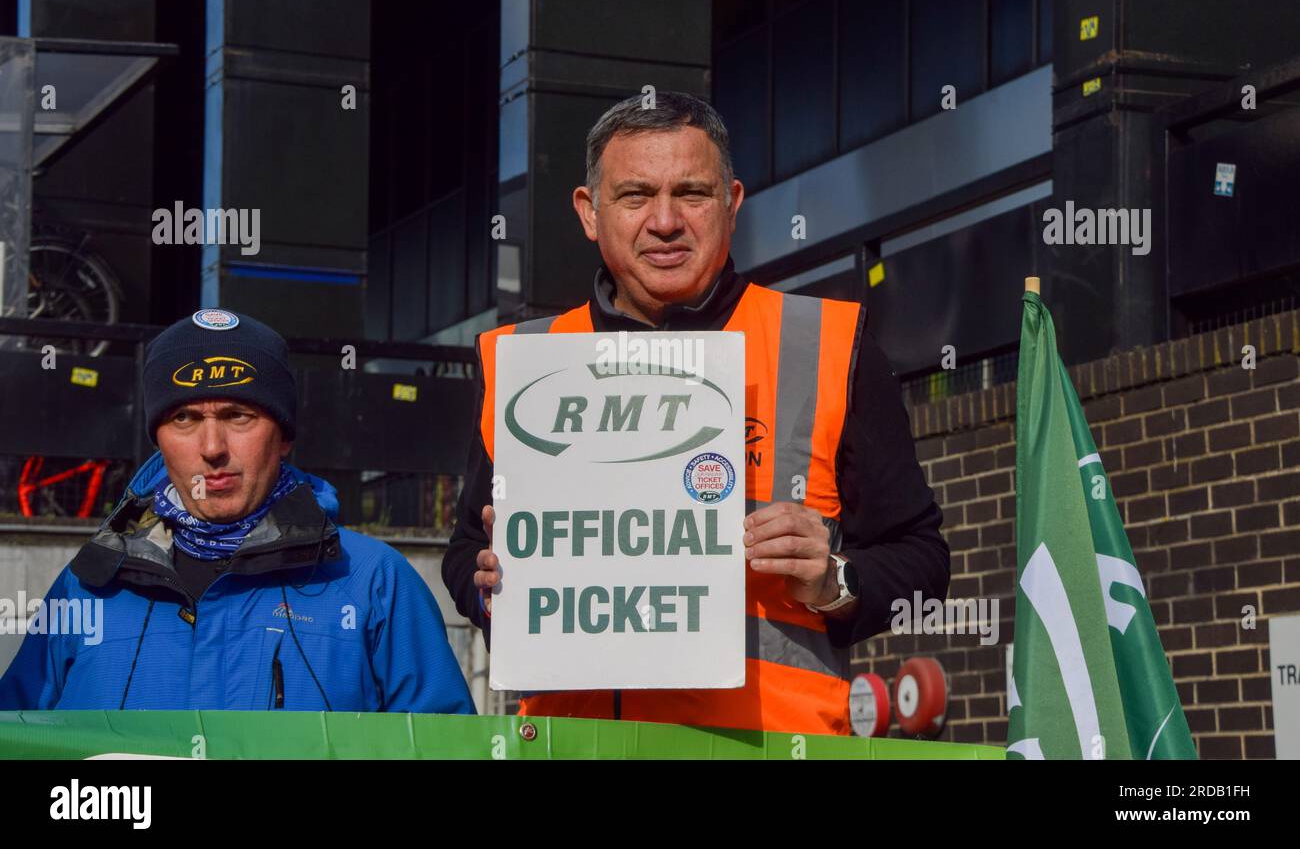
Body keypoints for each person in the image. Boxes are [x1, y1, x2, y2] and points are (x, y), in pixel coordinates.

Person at [444, 92, 949, 735]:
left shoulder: (827, 346)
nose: (664, 221)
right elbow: (465, 551)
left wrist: (835, 580)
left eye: (692, 193)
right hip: (577, 750)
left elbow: (923, 561)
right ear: (589, 212)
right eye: (634, 195)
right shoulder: (525, 362)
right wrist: (489, 588)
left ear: (732, 205)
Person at [0, 309, 474, 714]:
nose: (212, 448)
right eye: (184, 418)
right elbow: (17, 742)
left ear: (285, 435)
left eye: (238, 416)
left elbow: (448, 750)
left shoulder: (373, 582)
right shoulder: (89, 582)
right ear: (158, 437)